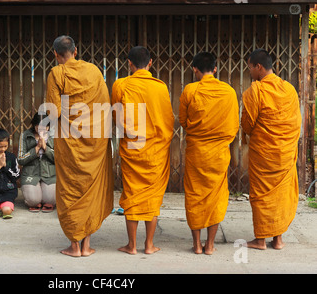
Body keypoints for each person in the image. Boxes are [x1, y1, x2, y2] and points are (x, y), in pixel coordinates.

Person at [46, 35, 114, 257]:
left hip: (69, 142)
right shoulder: (94, 71)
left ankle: (74, 246)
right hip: (94, 142)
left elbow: (53, 111)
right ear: (76, 51)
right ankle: (86, 246)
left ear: (55, 54)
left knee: (71, 189)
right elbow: (105, 104)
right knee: (89, 189)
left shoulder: (56, 73)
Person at [111, 46, 174, 255]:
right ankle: (149, 245)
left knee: (132, 195)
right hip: (155, 150)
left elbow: (117, 119)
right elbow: (168, 120)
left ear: (129, 63)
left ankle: (132, 246)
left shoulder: (120, 85)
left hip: (132, 148)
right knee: (152, 197)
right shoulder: (161, 87)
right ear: (151, 62)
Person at [179, 52, 239, 255]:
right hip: (219, 154)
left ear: (194, 69)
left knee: (195, 196)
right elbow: (234, 126)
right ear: (215, 69)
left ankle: (196, 245)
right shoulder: (228, 92)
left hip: (197, 152)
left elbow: (183, 121)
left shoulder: (190, 90)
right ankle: (210, 245)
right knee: (216, 196)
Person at [241, 49, 301, 250]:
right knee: (280, 195)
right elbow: (296, 122)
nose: (249, 71)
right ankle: (277, 240)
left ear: (258, 67)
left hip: (263, 154)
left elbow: (248, 124)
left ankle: (260, 240)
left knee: (261, 195)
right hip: (283, 153)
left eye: (250, 67)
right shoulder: (289, 89)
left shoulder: (254, 91)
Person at [18, 112, 56, 213]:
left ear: (48, 127)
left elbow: (60, 159)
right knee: (33, 201)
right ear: (34, 125)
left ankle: (44, 198)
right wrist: (36, 148)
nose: (41, 130)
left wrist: (45, 148)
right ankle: (36, 200)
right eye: (38, 127)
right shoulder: (25, 135)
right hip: (31, 174)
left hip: (49, 174)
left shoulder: (54, 136)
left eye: (44, 128)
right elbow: (20, 159)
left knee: (50, 200)